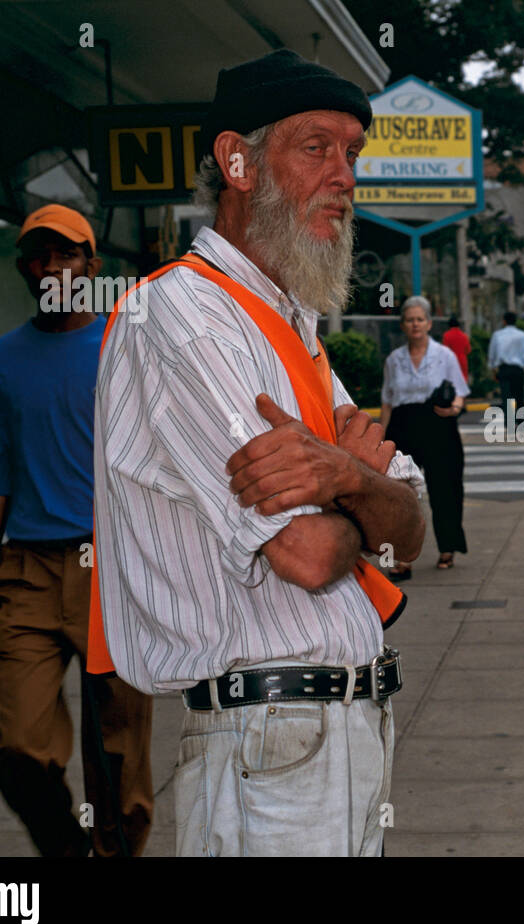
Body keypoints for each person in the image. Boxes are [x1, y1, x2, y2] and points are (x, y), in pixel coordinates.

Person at [93, 49, 427, 857]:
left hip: (331, 735)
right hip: (271, 745)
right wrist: (363, 492)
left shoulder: (287, 325)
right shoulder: (182, 319)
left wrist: (344, 476)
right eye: (317, 147)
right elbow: (311, 554)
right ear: (236, 161)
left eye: (353, 152)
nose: (345, 175)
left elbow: (410, 532)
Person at [0, 204, 154, 857]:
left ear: (91, 266)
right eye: (39, 255)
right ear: (24, 268)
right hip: (29, 573)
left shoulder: (128, 352)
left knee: (119, 757)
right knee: (20, 749)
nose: (52, 267)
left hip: (116, 571)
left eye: (66, 254)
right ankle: (67, 850)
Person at [381, 296, 470, 575]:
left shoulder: (444, 356)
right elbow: (387, 402)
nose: (415, 324)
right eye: (410, 319)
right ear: (403, 325)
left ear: (429, 323)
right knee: (400, 493)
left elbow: (460, 392)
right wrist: (381, 440)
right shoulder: (394, 360)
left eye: (420, 319)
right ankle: (402, 558)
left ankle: (448, 547)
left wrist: (454, 408)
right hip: (403, 425)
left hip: (438, 426)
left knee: (445, 489)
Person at [488, 311, 524, 412]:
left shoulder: (497, 335)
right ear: (515, 321)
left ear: (504, 321)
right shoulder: (522, 335)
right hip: (518, 370)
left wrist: (494, 372)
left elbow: (491, 356)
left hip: (504, 370)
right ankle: (521, 423)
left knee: (506, 399)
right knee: (520, 398)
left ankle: (510, 425)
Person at [442, 316, 471, 380]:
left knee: (452, 382)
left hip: (451, 362)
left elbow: (445, 351)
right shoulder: (464, 336)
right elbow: (468, 350)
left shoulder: (446, 335)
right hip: (462, 361)